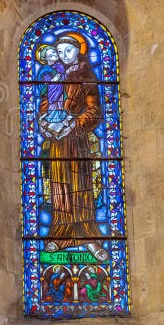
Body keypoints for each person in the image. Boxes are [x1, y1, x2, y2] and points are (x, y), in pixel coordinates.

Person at [40, 33, 108, 261]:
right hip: (58, 144)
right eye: (59, 52)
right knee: (59, 188)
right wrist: (45, 122)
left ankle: (88, 237)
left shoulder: (86, 76)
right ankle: (61, 235)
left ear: (77, 51)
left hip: (78, 143)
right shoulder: (55, 77)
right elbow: (45, 104)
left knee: (81, 188)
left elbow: (94, 111)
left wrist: (75, 124)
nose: (63, 55)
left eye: (67, 50)